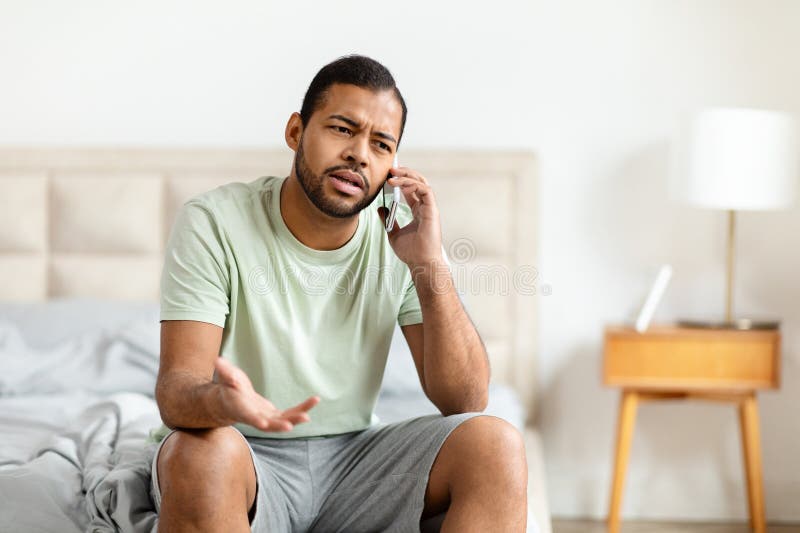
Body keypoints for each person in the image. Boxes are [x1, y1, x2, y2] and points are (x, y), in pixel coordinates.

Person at [148, 54, 527, 532]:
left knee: (496, 444)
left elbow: (466, 400)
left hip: (356, 464)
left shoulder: (400, 240)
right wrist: (223, 405)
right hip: (241, 453)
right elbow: (175, 391)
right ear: (295, 132)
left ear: (393, 166)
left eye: (381, 144)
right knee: (199, 456)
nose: (359, 154)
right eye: (343, 129)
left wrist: (429, 265)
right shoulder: (214, 222)